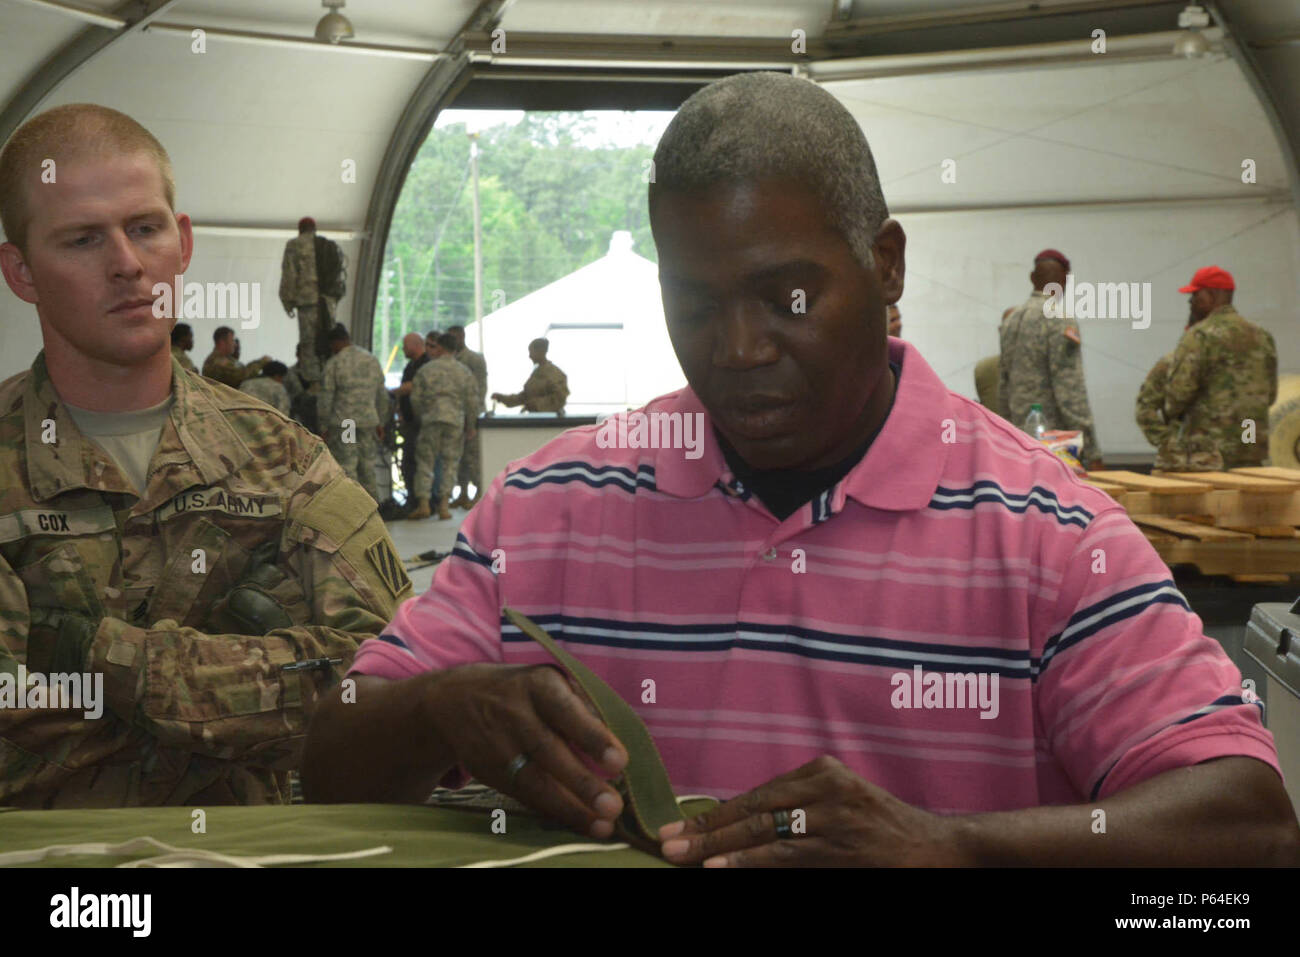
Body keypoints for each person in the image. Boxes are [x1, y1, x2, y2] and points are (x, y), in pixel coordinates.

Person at [302, 73, 1297, 867]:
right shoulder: (549, 509)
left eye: (786, 295)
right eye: (694, 302)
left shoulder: (1045, 534)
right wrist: (436, 711)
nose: (737, 347)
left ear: (887, 264)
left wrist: (955, 849)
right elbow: (328, 760)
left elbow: (1247, 828)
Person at [0, 103, 411, 808]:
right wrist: (258, 692)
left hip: (248, 855)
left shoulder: (280, 454)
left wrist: (101, 659)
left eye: (145, 229)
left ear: (182, 242)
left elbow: (389, 683)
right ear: (22, 273)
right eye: (81, 240)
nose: (127, 265)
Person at [1164, 266, 1277, 469]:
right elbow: (1271, 395)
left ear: (1213, 295)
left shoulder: (1200, 335)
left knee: (1213, 501)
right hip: (1250, 445)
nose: (1191, 302)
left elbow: (1177, 397)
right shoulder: (1262, 336)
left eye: (1196, 295)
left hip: (1209, 453)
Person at [999, 251, 1101, 467]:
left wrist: (1005, 436)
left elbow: (1003, 385)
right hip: (1056, 444)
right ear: (1064, 280)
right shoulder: (1059, 319)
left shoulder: (1011, 319)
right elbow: (1070, 392)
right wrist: (1092, 451)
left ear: (1032, 278)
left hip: (1018, 440)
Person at [407, 333, 478, 521]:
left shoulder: (426, 370)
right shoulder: (464, 371)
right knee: (450, 463)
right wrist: (470, 425)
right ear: (455, 350)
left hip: (430, 420)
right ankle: (444, 506)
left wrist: (423, 416)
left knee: (425, 462)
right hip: (454, 421)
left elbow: (415, 398)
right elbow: (472, 401)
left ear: (439, 348)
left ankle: (424, 505)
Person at [319, 323, 387, 504]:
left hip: (347, 423)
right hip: (368, 422)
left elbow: (326, 396)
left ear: (335, 343)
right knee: (368, 465)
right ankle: (374, 508)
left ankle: (354, 509)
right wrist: (381, 421)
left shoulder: (335, 363)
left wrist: (323, 425)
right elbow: (382, 394)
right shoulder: (371, 360)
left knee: (349, 464)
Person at [279, 217, 345, 386]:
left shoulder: (294, 245)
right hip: (327, 304)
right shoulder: (327, 245)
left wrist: (287, 302)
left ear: (300, 229)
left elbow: (289, 275)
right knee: (327, 342)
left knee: (309, 345)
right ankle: (331, 378)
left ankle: (313, 383)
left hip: (307, 303)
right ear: (314, 229)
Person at [447, 324, 487, 507]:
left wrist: (474, 416)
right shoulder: (449, 360)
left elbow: (480, 388)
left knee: (473, 456)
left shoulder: (473, 359)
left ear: (463, 336)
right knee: (459, 457)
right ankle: (462, 492)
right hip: (454, 413)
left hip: (471, 413)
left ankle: (480, 490)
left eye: (456, 337)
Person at [393, 331, 431, 501]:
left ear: (416, 345)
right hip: (409, 422)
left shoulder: (427, 364)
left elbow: (412, 387)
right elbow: (405, 388)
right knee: (407, 462)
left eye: (405, 345)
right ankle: (413, 499)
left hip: (422, 422)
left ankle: (424, 500)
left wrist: (397, 391)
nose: (403, 349)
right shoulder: (410, 366)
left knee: (419, 462)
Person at [491, 338, 569, 413]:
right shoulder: (537, 373)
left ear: (541, 352)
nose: (530, 356)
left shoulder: (555, 374)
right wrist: (502, 398)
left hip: (549, 422)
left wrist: (535, 405)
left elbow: (560, 399)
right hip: (535, 420)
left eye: (532, 352)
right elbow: (524, 397)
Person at [202, 325, 268, 389]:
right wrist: (262, 362)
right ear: (222, 342)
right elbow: (242, 375)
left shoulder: (228, 359)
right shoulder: (216, 362)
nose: (235, 344)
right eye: (232, 340)